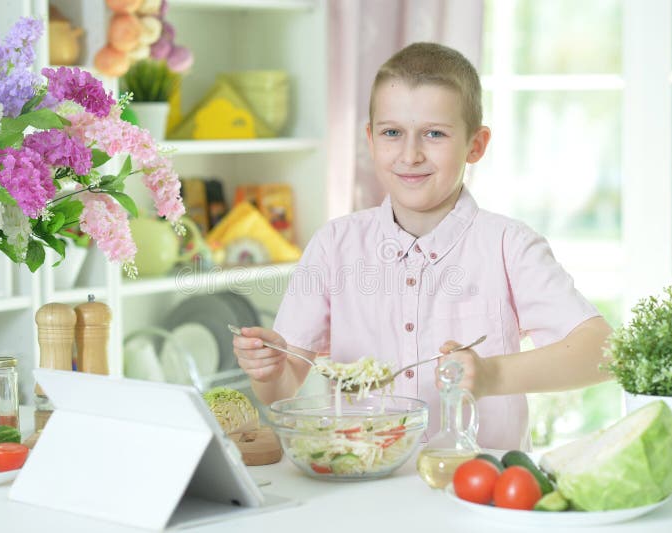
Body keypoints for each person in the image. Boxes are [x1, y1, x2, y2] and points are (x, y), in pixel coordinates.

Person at [232, 42, 612, 450]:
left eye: (434, 134)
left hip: (479, 485)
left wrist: (490, 376)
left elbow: (602, 351)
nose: (410, 155)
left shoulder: (508, 246)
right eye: (392, 133)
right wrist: (268, 371)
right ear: (371, 140)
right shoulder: (334, 246)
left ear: (476, 145)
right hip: (364, 483)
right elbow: (282, 389)